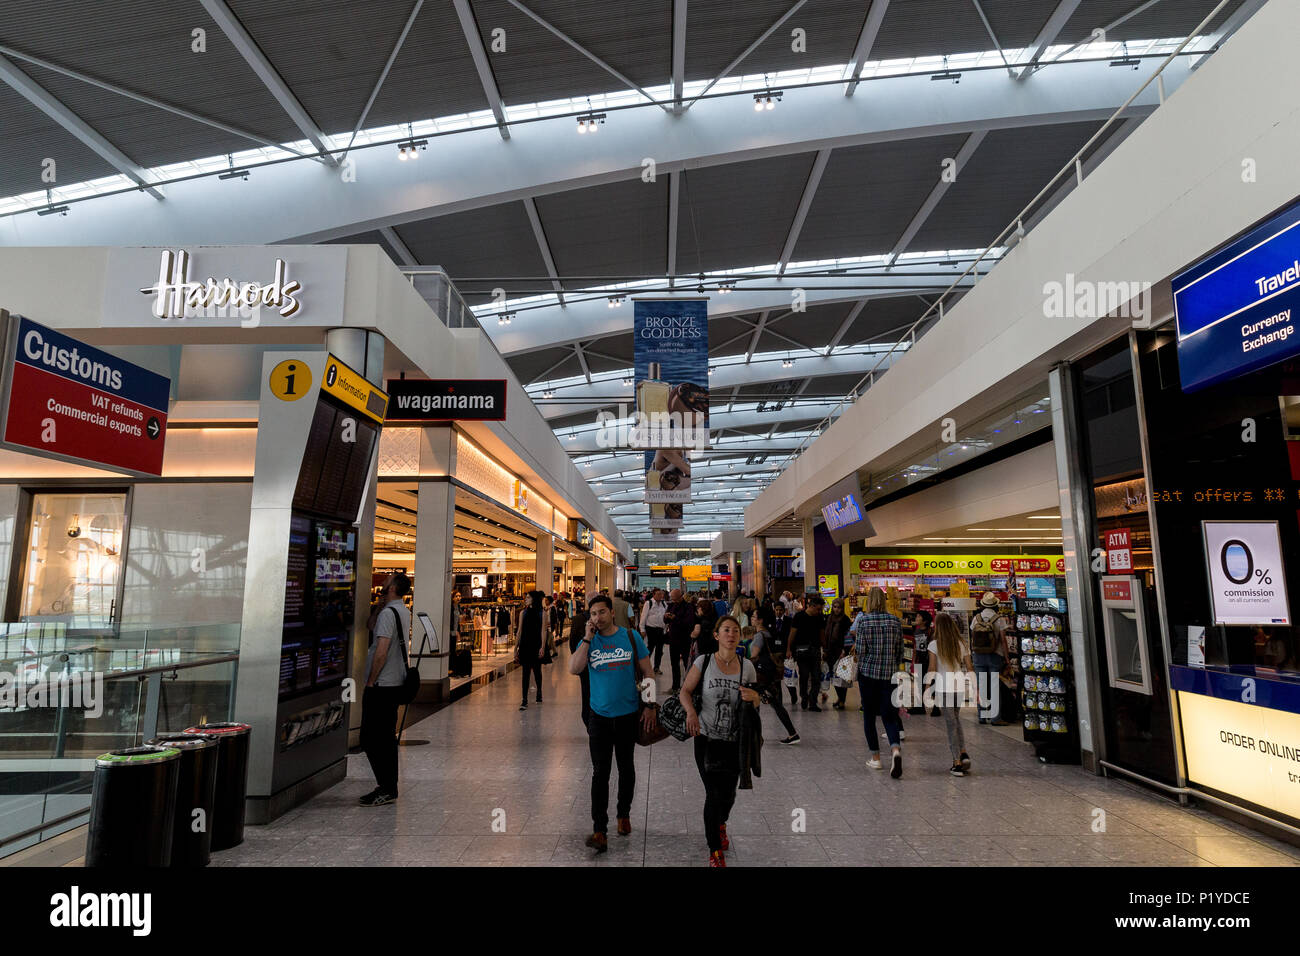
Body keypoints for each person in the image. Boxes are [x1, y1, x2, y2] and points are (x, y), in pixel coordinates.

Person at [569, 594, 656, 853]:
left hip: (628, 714)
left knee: (626, 768)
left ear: (612, 613)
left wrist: (650, 706)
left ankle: (623, 814)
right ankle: (599, 829)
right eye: (593, 614)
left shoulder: (631, 637)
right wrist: (586, 637)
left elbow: (648, 671)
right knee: (600, 773)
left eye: (602, 612)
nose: (598, 618)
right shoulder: (590, 641)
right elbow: (574, 669)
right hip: (599, 716)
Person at [680, 616, 760, 867]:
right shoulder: (704, 662)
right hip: (706, 738)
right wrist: (691, 712)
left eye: (735, 630)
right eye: (726, 630)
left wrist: (755, 697)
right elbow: (685, 691)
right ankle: (714, 849)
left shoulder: (746, 666)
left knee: (728, 795)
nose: (731, 634)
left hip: (736, 740)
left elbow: (756, 704)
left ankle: (721, 822)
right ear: (716, 635)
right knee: (713, 794)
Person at [359, 572, 412, 806]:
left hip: (382, 685)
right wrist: (379, 607)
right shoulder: (398, 610)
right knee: (384, 738)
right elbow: (370, 626)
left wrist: (371, 681)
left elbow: (381, 650)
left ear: (392, 587)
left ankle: (387, 787)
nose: (382, 582)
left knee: (371, 738)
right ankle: (387, 786)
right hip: (393, 683)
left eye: (386, 580)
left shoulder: (390, 614)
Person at [852, 587, 904, 778]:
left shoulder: (864, 621)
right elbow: (900, 650)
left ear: (869, 601)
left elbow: (860, 650)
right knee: (889, 716)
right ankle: (895, 750)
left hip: (868, 675)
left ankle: (875, 758)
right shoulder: (895, 621)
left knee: (869, 716)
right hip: (889, 675)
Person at [929, 613, 973, 776]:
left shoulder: (934, 645)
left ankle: (956, 762)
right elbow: (969, 667)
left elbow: (932, 668)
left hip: (944, 686)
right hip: (959, 684)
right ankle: (963, 752)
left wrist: (927, 687)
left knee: (950, 723)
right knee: (955, 719)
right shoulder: (962, 644)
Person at [744, 624, 799, 744]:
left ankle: (756, 736)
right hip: (771, 671)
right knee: (775, 703)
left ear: (760, 620)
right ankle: (792, 733)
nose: (752, 619)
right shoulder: (771, 633)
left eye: (754, 616)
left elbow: (754, 656)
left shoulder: (759, 635)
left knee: (757, 703)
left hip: (761, 673)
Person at [970, 592, 1010, 724]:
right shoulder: (999, 619)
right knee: (994, 686)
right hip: (995, 655)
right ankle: (995, 717)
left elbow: (972, 637)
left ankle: (982, 715)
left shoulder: (977, 618)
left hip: (978, 656)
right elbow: (1003, 640)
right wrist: (1007, 659)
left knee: (981, 686)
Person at [789, 595, 826, 711]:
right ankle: (804, 696)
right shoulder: (799, 616)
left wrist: (825, 648)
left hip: (815, 650)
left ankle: (813, 701)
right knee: (804, 675)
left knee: (816, 676)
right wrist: (788, 649)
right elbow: (792, 634)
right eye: (818, 609)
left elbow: (822, 634)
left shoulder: (819, 618)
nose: (820, 611)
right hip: (801, 650)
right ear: (811, 606)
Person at [663, 588, 697, 693]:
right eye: (672, 598)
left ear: (680, 596)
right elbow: (665, 621)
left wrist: (675, 618)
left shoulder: (688, 607)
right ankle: (675, 686)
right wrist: (666, 617)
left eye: (675, 598)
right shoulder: (671, 606)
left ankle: (689, 686)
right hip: (673, 639)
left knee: (687, 663)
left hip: (685, 639)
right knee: (674, 663)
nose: (673, 600)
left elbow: (689, 623)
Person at [517, 590, 546, 709]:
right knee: (525, 672)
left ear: (533, 599)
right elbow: (519, 631)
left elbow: (543, 631)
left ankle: (539, 691)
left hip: (536, 644)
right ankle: (524, 699)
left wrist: (543, 647)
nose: (526, 599)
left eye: (528, 597)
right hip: (525, 645)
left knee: (537, 671)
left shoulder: (542, 613)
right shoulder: (523, 613)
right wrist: (515, 648)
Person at [824, 598, 853, 709]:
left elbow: (848, 637)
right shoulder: (829, 618)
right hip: (830, 651)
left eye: (839, 607)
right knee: (834, 677)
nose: (836, 609)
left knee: (842, 677)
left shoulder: (845, 620)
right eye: (835, 607)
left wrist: (845, 651)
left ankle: (842, 700)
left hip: (841, 652)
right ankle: (839, 698)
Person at [568, 598, 592, 728]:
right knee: (586, 691)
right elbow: (573, 643)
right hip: (584, 664)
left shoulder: (624, 635)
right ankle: (588, 719)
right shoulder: (579, 620)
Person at [639, 588, 668, 674]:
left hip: (661, 630)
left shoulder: (664, 604)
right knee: (650, 649)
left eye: (661, 594)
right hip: (651, 629)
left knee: (659, 650)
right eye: (658, 594)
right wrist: (642, 629)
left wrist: (666, 628)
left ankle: (656, 667)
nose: (661, 596)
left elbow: (665, 616)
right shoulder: (649, 603)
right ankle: (645, 667)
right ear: (654, 595)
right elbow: (643, 617)